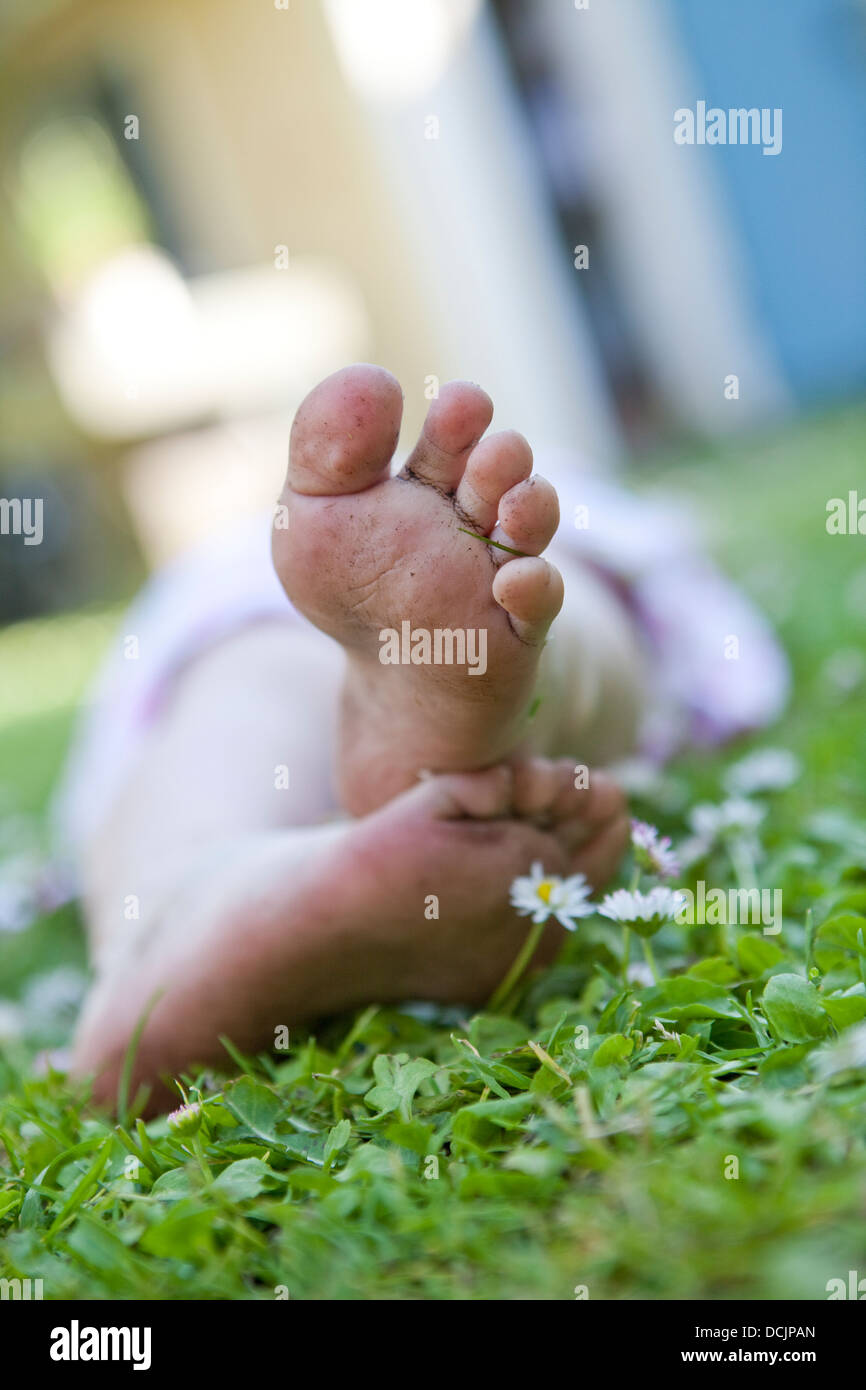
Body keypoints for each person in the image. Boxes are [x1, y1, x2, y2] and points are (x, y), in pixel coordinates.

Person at [57, 365, 787, 1108]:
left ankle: (177, 906)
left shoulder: (235, 564)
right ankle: (522, 692)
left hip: (213, 602)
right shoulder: (604, 516)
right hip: (552, 545)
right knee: (568, 618)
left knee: (238, 706)